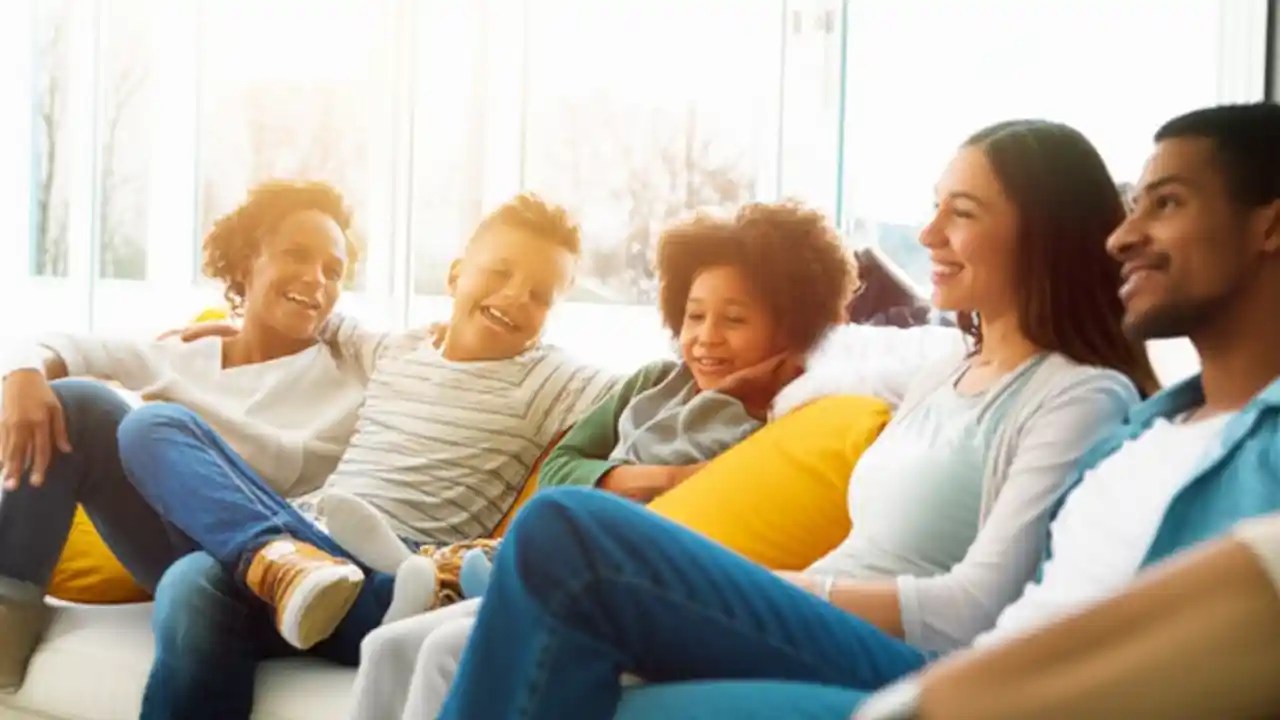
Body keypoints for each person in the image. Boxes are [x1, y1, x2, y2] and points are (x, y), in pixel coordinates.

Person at [443, 103, 1280, 720]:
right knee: (552, 615)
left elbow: (981, 609)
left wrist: (735, 587)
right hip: (936, 655)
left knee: (569, 535)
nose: (1124, 238)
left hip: (937, 664)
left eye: (963, 212)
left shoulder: (1092, 401)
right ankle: (441, 573)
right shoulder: (1140, 428)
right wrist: (784, 378)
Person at [340, 201, 857, 720]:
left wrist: (737, 397)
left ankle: (437, 575)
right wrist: (664, 478)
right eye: (695, 315)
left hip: (620, 582)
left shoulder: (776, 423)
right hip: (567, 552)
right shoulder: (653, 381)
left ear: (790, 330)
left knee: (438, 651)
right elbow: (560, 469)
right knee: (388, 647)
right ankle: (436, 573)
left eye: (735, 320)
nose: (705, 337)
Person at [132, 192, 621, 720]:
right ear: (456, 275)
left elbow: (660, 387)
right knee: (156, 436)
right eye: (499, 271)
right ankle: (280, 558)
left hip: (396, 579)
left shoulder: (552, 379)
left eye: (541, 295)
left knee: (192, 569)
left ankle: (280, 556)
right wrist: (235, 330)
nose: (515, 296)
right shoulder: (397, 350)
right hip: (309, 549)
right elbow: (312, 316)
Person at [0, 180, 368, 691]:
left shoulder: (354, 377)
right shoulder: (184, 358)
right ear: (246, 264)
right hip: (172, 543)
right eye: (297, 256)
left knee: (184, 550)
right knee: (77, 404)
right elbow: (54, 342)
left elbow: (426, 358)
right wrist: (19, 375)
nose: (317, 280)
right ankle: (4, 626)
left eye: (333, 271)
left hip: (283, 571)